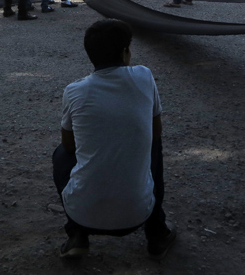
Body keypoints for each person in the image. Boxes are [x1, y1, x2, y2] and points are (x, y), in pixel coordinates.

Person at [53, 20, 176, 259]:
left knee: (60, 155)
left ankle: (76, 234)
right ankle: (157, 233)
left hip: (83, 214)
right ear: (125, 52)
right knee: (153, 143)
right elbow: (156, 130)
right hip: (139, 213)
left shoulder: (74, 91)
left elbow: (69, 146)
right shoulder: (143, 76)